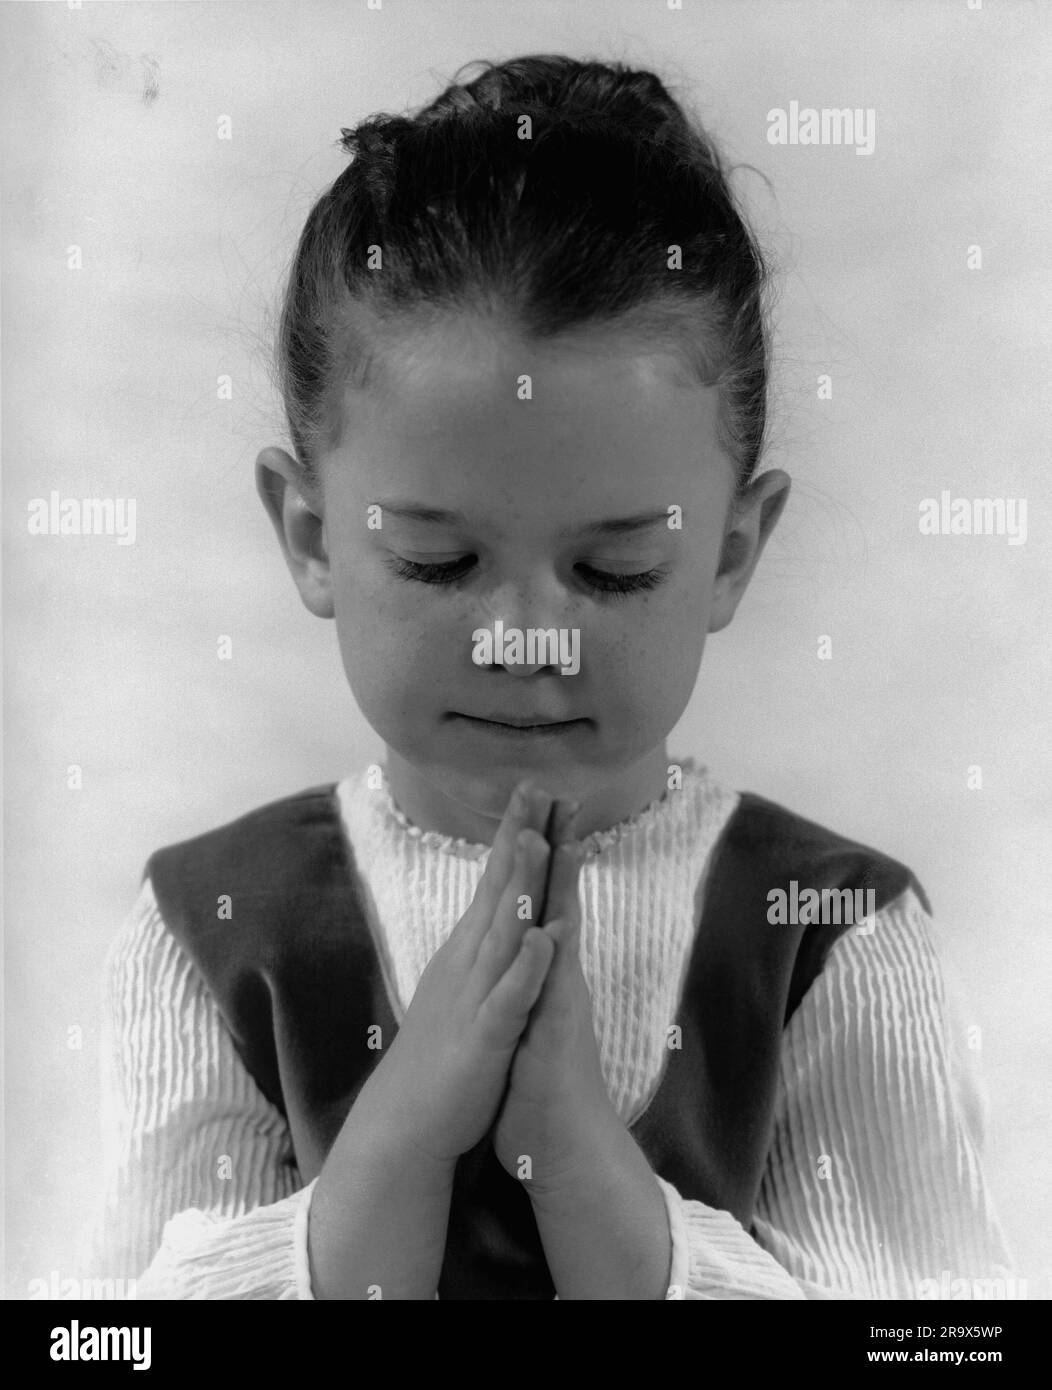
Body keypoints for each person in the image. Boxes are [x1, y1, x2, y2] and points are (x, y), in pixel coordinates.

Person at [85, 54, 1014, 1299]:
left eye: (615, 571)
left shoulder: (829, 942)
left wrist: (598, 1188)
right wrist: (385, 1164)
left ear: (731, 551)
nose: (526, 639)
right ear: (310, 534)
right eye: (437, 560)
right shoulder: (210, 933)